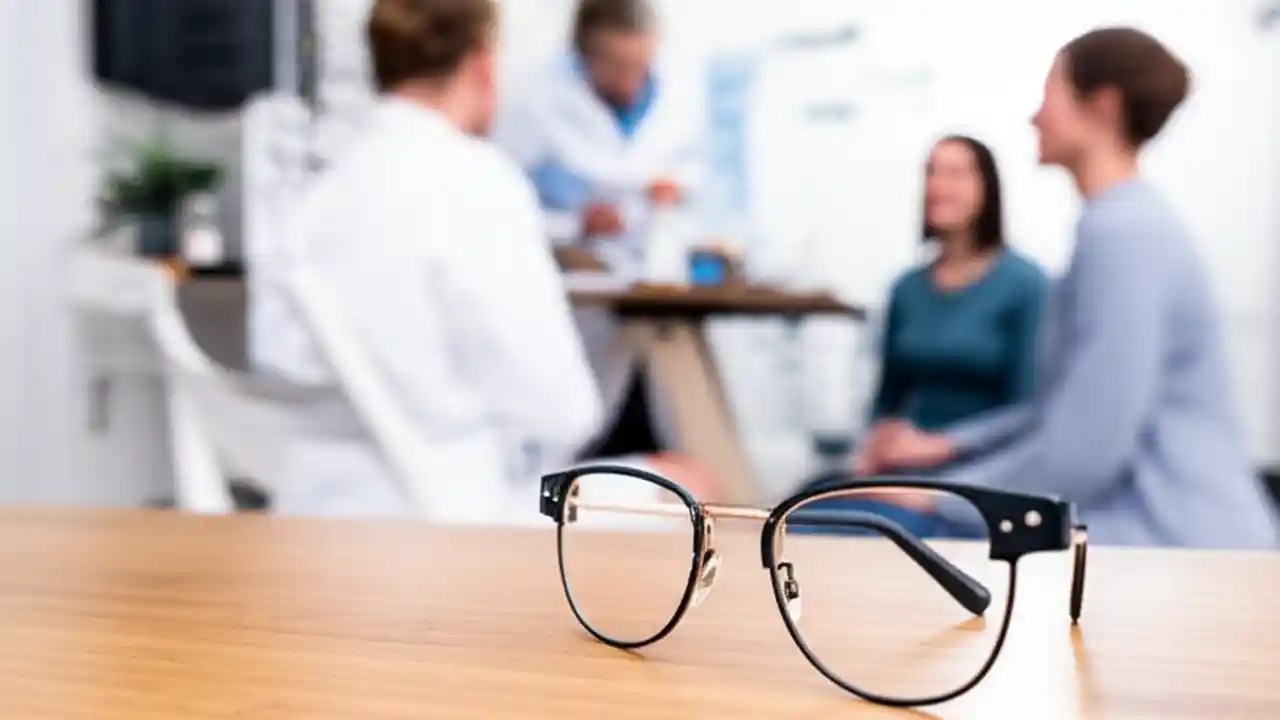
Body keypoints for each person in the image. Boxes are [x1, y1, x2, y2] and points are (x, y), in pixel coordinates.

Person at [860, 28, 1279, 548]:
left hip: (1177, 540)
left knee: (856, 529)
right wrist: (945, 446)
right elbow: (1061, 411)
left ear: (1102, 106)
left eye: (1049, 93)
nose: (1035, 116)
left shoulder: (1125, 233)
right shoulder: (1115, 224)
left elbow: (1085, 450)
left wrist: (939, 498)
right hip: (1141, 526)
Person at [249, 0, 603, 519]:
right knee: (686, 481)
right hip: (456, 518)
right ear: (484, 64)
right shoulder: (478, 181)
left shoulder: (314, 195)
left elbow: (274, 359)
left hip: (315, 513)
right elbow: (562, 410)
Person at [494, 0, 706, 459]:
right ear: (585, 58)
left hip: (655, 285)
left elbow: (699, 175)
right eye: (617, 68)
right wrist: (577, 225)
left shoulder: (676, 93)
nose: (631, 83)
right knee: (578, 435)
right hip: (577, 296)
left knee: (664, 426)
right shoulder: (537, 103)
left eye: (640, 65)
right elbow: (504, 211)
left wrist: (677, 190)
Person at [855, 136, 1047, 477]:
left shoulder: (1027, 285)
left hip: (984, 472)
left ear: (987, 189)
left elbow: (1028, 409)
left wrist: (942, 445)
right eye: (932, 172)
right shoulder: (906, 289)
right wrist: (875, 446)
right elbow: (887, 400)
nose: (938, 185)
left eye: (955, 173)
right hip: (903, 468)